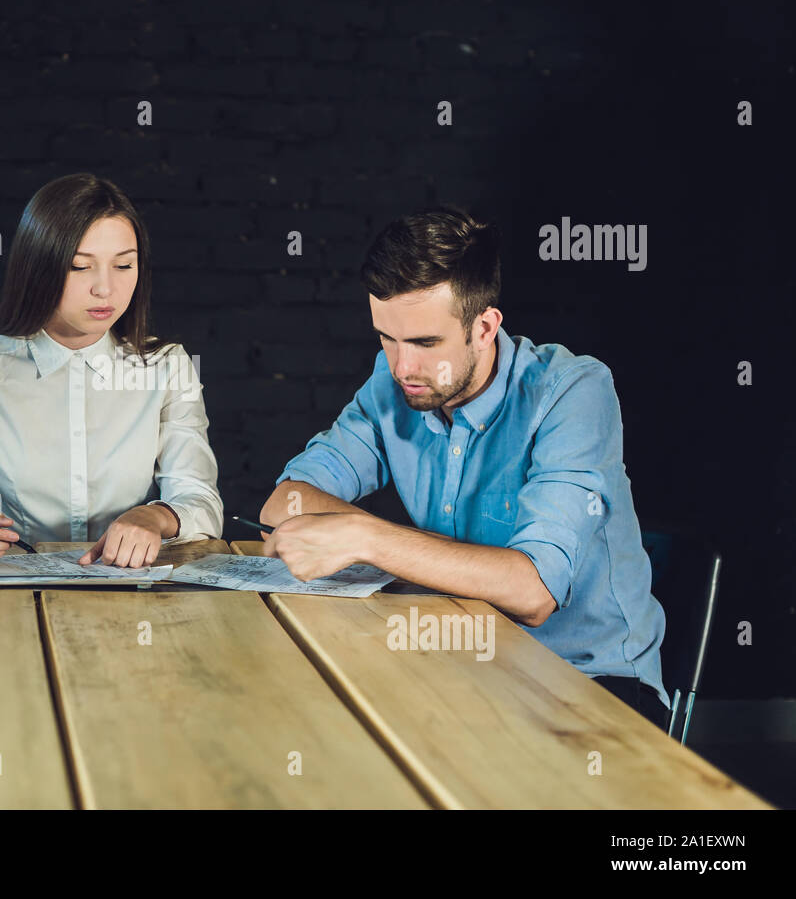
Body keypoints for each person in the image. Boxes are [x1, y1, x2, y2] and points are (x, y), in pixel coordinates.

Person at [259, 206, 670, 729]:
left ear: (484, 327)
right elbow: (284, 502)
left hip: (590, 684)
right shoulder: (396, 383)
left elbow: (534, 593)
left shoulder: (572, 390)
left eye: (426, 343)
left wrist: (366, 537)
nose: (402, 367)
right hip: (456, 663)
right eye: (386, 337)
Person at [0, 173, 223, 569]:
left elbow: (201, 501)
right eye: (79, 266)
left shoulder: (167, 367)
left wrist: (152, 518)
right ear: (39, 268)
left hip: (127, 587)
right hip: (12, 589)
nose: (105, 289)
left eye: (124, 265)